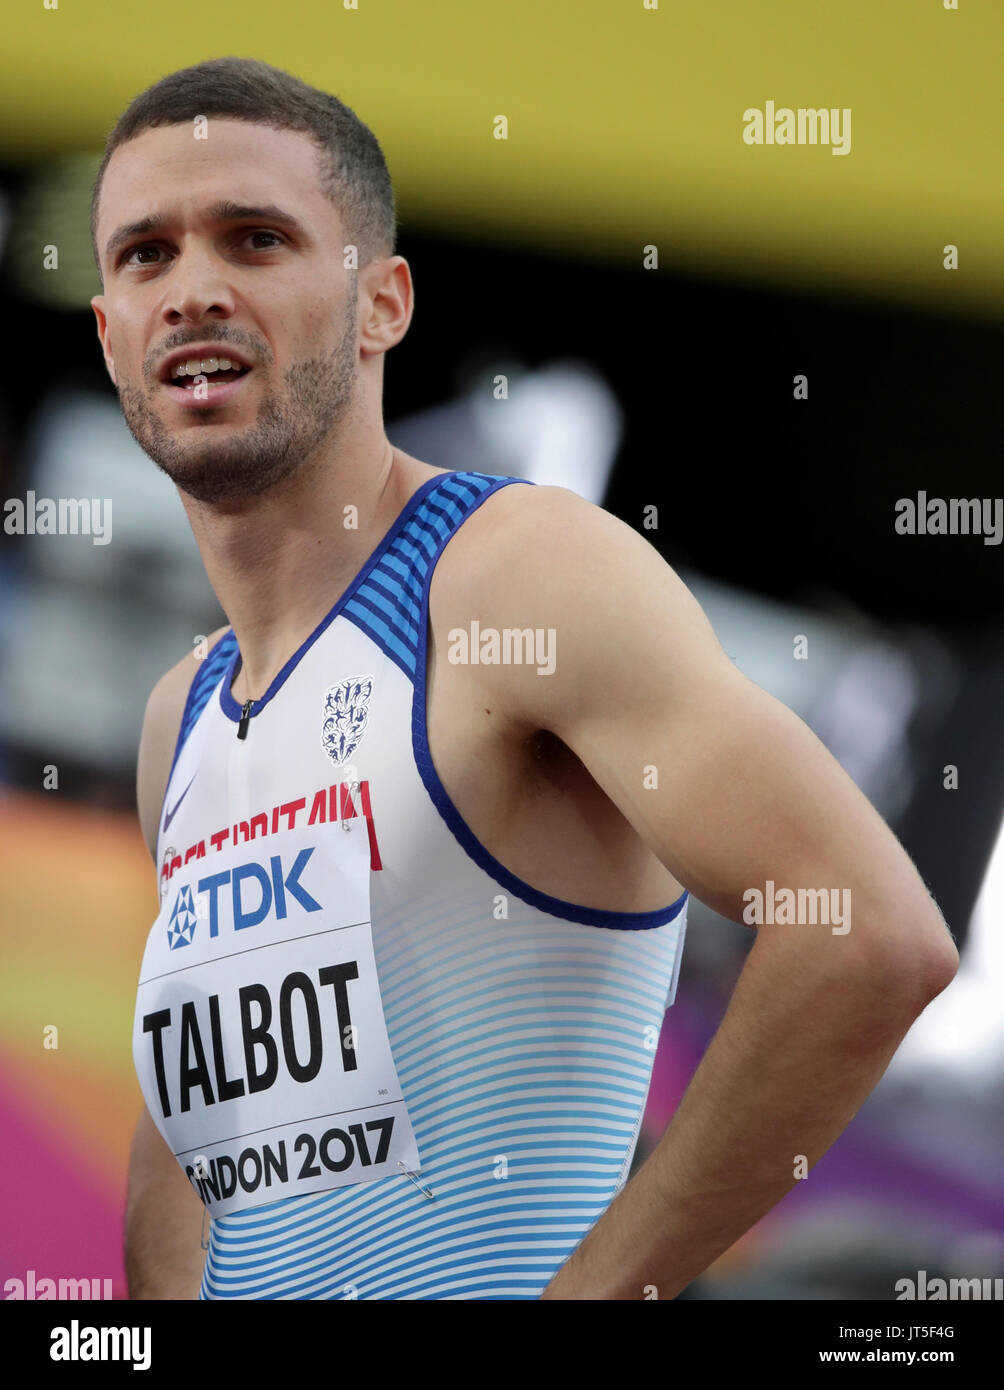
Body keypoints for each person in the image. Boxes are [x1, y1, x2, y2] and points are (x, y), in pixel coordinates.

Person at [90, 57, 958, 1301]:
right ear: (109, 332)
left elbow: (868, 934)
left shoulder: (510, 575)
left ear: (381, 303)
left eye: (256, 238)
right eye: (145, 256)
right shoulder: (181, 720)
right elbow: (196, 1143)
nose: (193, 291)